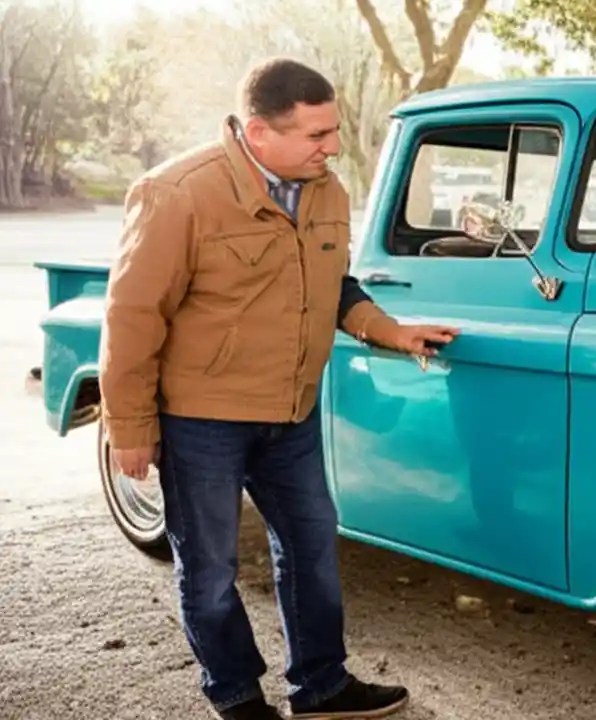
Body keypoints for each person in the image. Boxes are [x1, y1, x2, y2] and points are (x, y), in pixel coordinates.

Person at [99, 57, 458, 720]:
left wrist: (392, 331)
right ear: (259, 134)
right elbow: (132, 316)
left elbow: (334, 288)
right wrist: (130, 427)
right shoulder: (178, 192)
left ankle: (321, 686)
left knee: (314, 546)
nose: (333, 147)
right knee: (209, 572)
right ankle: (234, 695)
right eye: (317, 135)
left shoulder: (327, 191)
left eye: (335, 132)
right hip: (201, 420)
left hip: (292, 413)